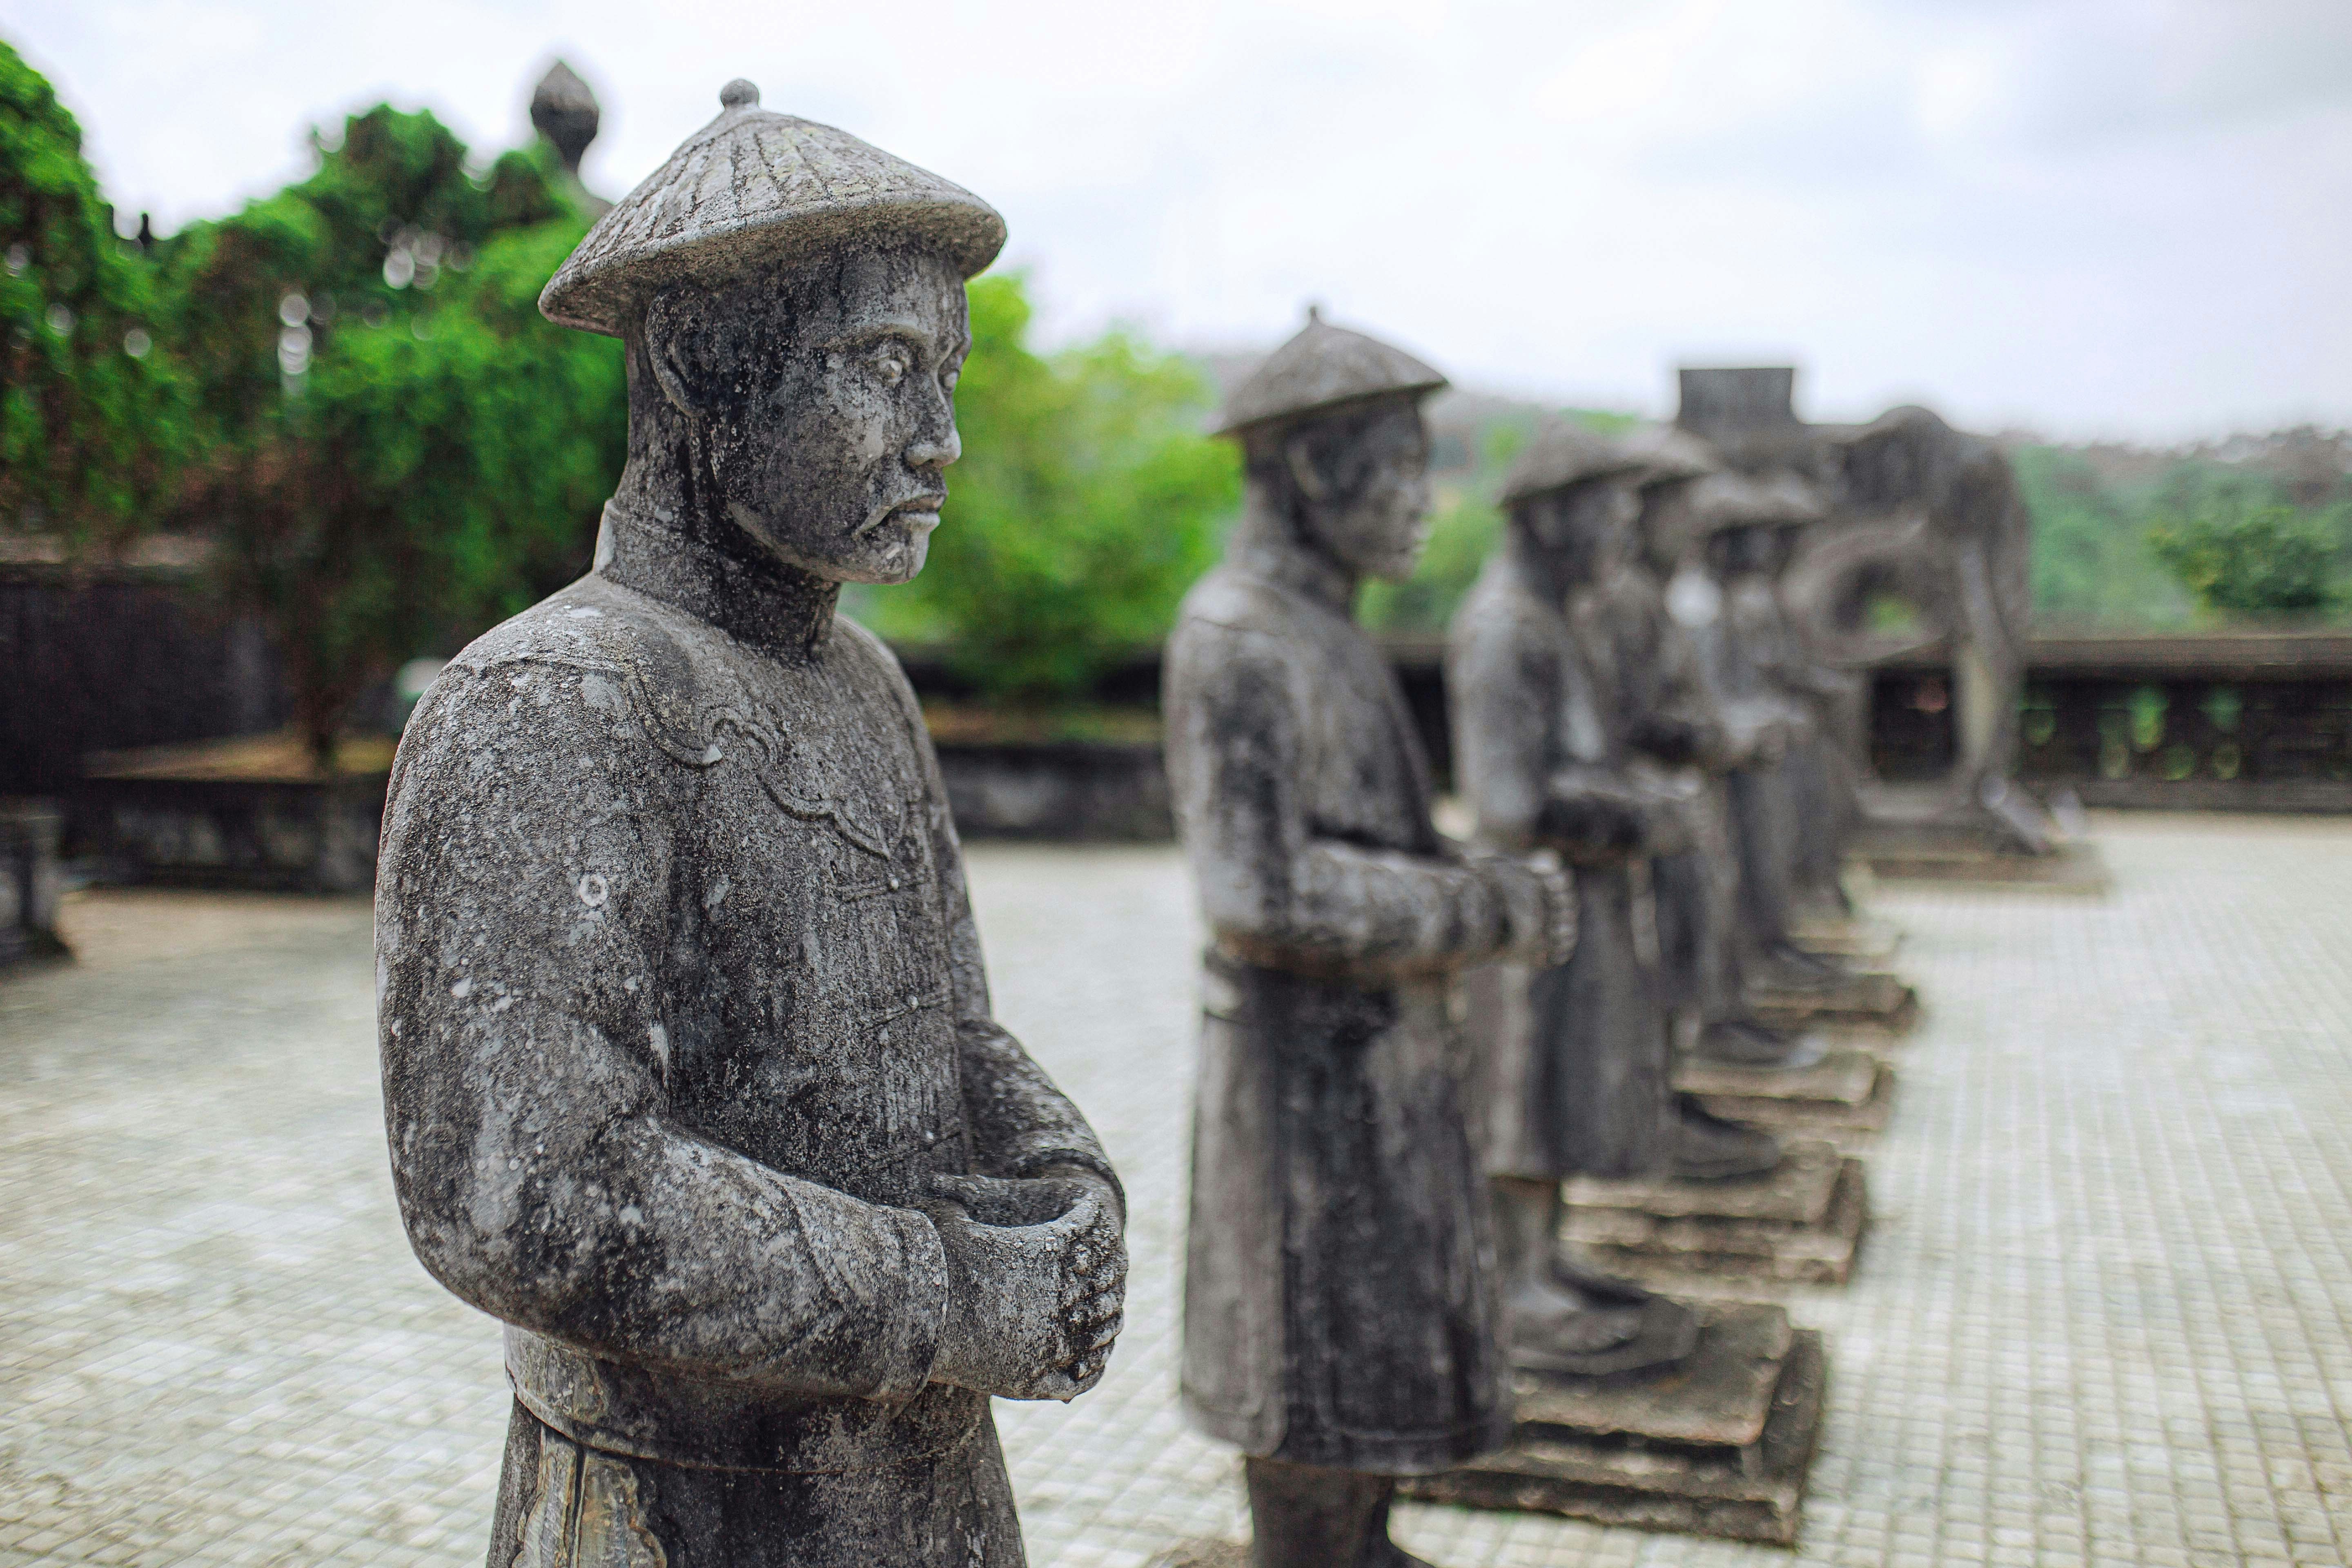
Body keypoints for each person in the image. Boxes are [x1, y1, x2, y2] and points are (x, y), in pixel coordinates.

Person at [375, 80, 1124, 1568]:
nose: (940, 441)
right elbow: (524, 1192)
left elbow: (952, 1029)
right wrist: (954, 1292)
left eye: (947, 376)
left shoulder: (867, 683)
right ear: (705, 365)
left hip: (922, 1478)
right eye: (883, 365)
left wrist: (1064, 1180)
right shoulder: (551, 700)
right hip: (681, 1505)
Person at [1165, 310, 1575, 1568]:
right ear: (1305, 471)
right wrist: (1476, 908)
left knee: (1382, 1335)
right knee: (1310, 1350)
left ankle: (1364, 1546)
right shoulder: (1237, 636)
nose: (1425, 503)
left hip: (1380, 1053)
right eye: (1398, 469)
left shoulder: (1323, 625)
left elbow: (1364, 836)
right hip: (1303, 1077)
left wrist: (1462, 877)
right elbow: (1259, 891)